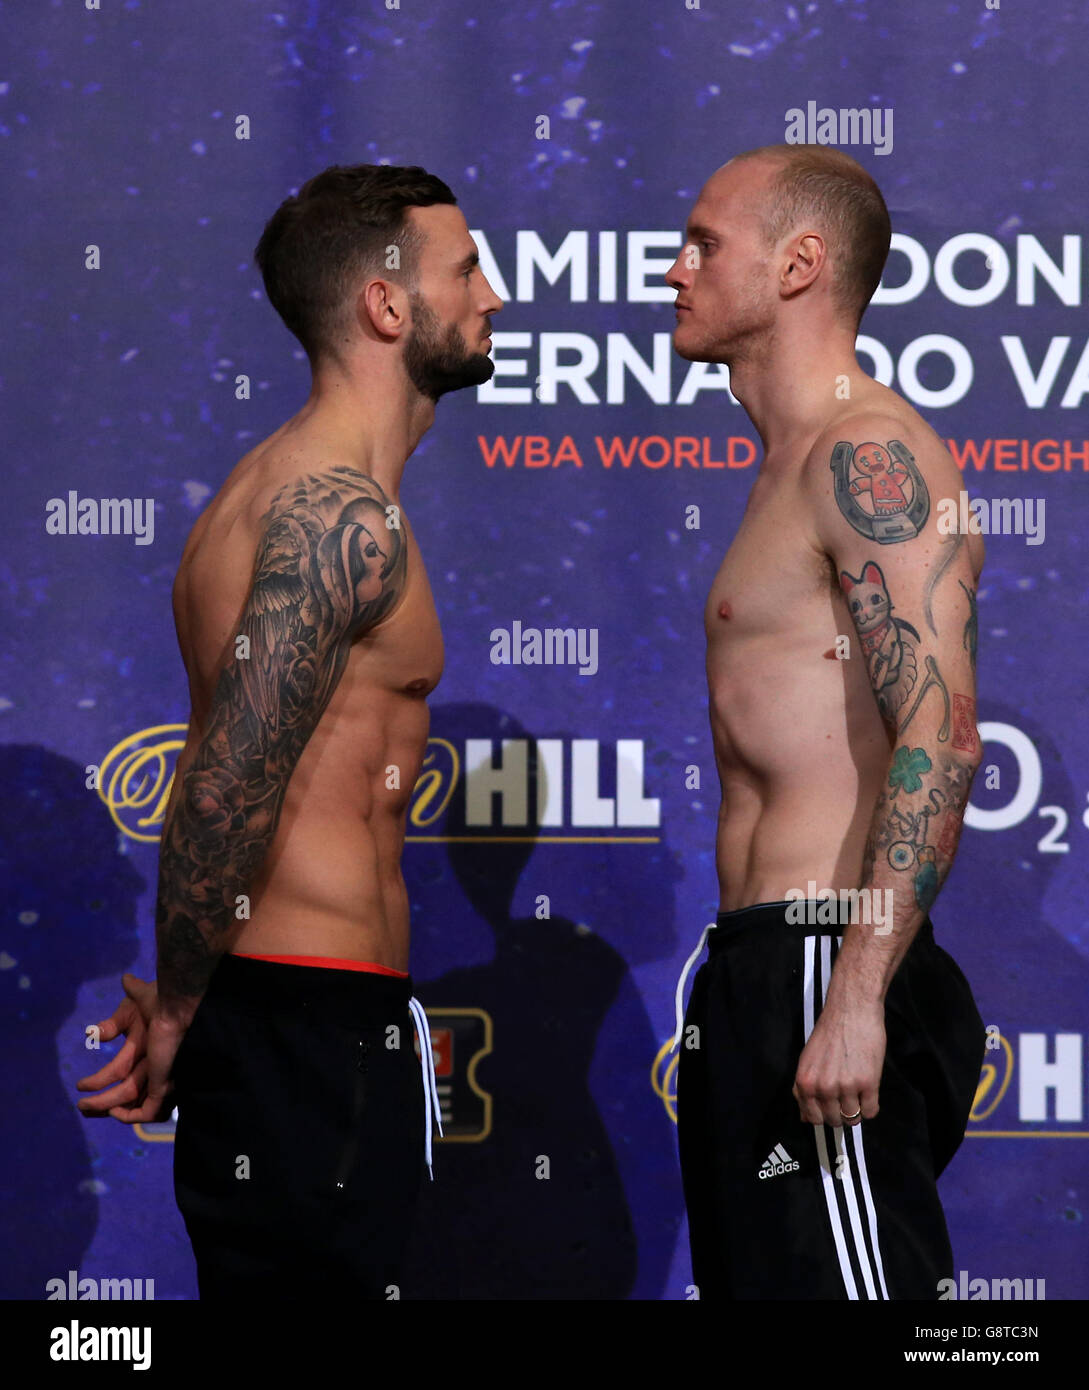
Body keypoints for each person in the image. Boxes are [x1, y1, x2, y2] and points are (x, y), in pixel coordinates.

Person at [77, 164, 504, 1298]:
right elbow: (225, 787)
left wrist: (192, 985)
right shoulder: (336, 513)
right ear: (386, 305)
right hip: (312, 1029)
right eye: (466, 270)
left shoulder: (266, 491)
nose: (494, 296)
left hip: (280, 1011)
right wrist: (179, 1001)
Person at [665, 145, 987, 1300]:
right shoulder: (788, 463)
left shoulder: (868, 453)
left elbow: (942, 736)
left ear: (800, 263)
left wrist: (854, 995)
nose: (673, 268)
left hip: (825, 956)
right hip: (761, 968)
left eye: (705, 243)